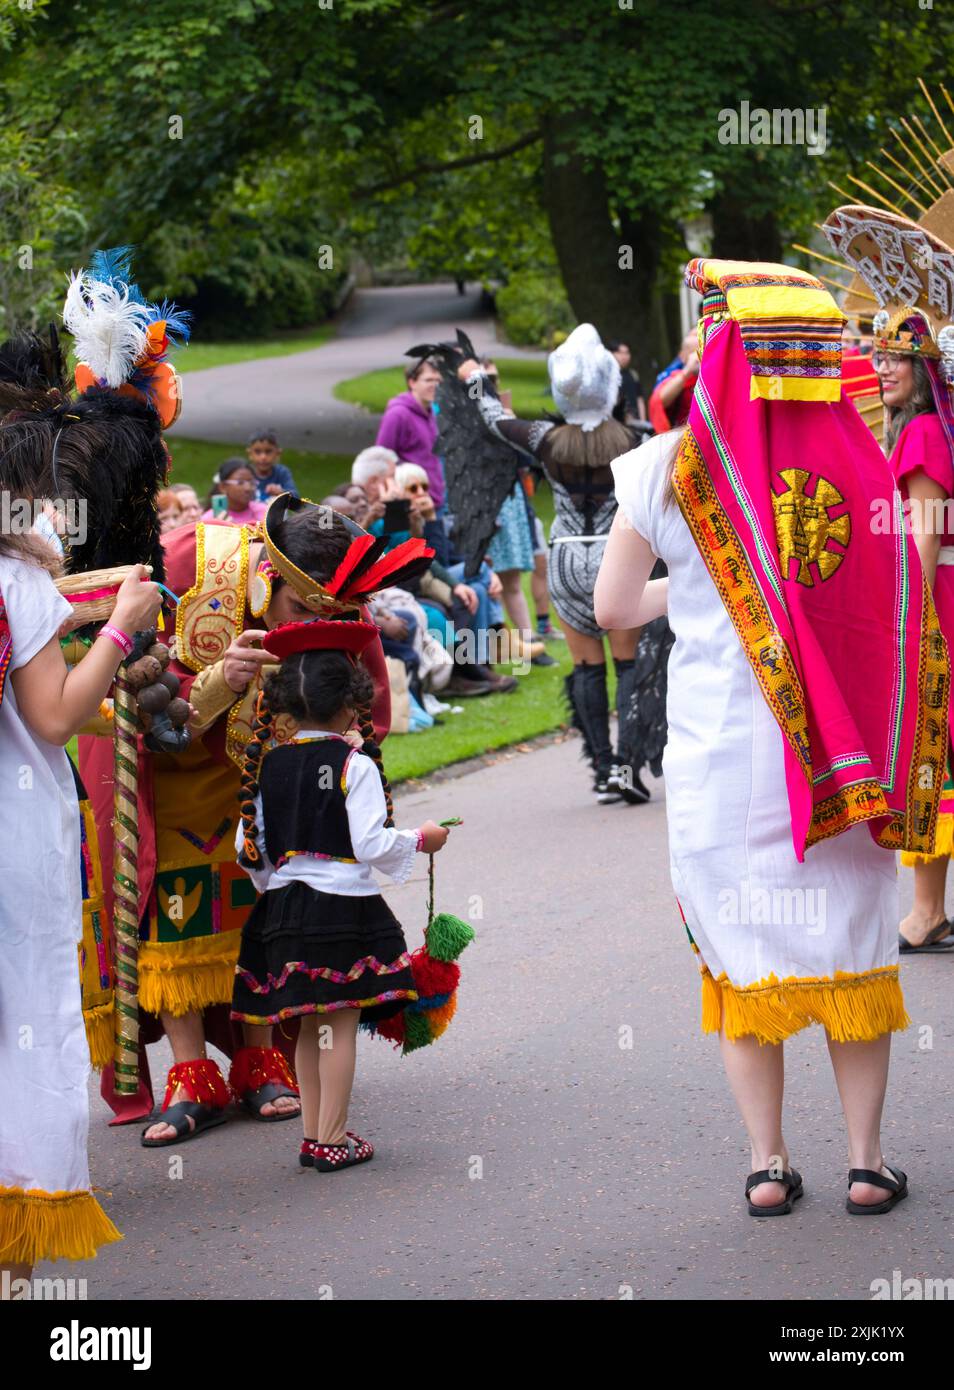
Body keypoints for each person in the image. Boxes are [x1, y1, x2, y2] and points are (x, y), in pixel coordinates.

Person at [596, 257, 947, 1216]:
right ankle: (867, 1163)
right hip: (839, 763)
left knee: (744, 958)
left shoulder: (664, 467)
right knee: (849, 954)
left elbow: (614, 608)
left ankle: (766, 1164)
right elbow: (899, 604)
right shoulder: (864, 463)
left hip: (718, 755)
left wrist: (703, 593)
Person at [80, 495, 432, 1144]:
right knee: (177, 919)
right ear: (268, 580)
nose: (310, 631)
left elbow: (364, 703)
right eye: (299, 614)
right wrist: (218, 680)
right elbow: (131, 688)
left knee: (265, 917)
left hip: (268, 772)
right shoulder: (188, 564)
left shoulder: (338, 597)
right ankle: (191, 1075)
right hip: (177, 777)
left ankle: (261, 1059)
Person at [0, 507, 159, 1273]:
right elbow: (52, 715)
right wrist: (121, 627)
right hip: (12, 848)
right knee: (21, 1042)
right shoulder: (14, 578)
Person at [231, 618, 452, 1169]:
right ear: (352, 706)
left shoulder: (269, 765)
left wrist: (278, 886)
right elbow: (372, 843)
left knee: (308, 1024)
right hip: (341, 913)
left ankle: (316, 1133)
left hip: (283, 910)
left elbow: (247, 846)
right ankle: (330, 1138)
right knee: (340, 1024)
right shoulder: (353, 765)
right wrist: (422, 839)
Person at [825, 205, 954, 952]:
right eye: (876, 357)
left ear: (926, 366)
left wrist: (909, 629)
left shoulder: (925, 435)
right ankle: (930, 909)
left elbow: (923, 549)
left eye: (895, 360)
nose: (881, 369)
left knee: (931, 755)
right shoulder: (922, 430)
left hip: (938, 612)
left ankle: (928, 911)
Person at [455, 325, 647, 802]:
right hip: (616, 554)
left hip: (565, 558)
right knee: (627, 664)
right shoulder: (636, 438)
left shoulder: (543, 438)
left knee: (585, 664)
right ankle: (626, 768)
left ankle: (602, 769)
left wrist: (475, 377)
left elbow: (493, 417)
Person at [375, 358, 446, 511]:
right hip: (412, 505)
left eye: (438, 380)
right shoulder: (397, 414)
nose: (435, 385)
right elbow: (382, 460)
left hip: (435, 500)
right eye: (428, 380)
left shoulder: (431, 412)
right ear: (412, 382)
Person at [648, 331, 699, 434]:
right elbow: (658, 401)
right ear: (683, 356)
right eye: (695, 352)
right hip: (682, 437)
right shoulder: (676, 376)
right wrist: (688, 371)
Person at [201, 457, 267, 524]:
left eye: (251, 482)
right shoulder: (209, 520)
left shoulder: (265, 513)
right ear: (223, 487)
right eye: (240, 482)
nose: (248, 488)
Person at [247, 428, 299, 503]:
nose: (263, 457)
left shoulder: (281, 473)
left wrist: (281, 492)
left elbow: (296, 500)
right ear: (250, 454)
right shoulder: (245, 473)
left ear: (278, 453)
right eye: (257, 452)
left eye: (268, 452)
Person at [607, 340, 646, 424]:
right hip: (616, 424)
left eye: (627, 353)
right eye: (620, 352)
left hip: (636, 422)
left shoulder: (633, 374)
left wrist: (643, 421)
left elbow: (639, 399)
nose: (624, 356)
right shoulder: (607, 376)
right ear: (610, 353)